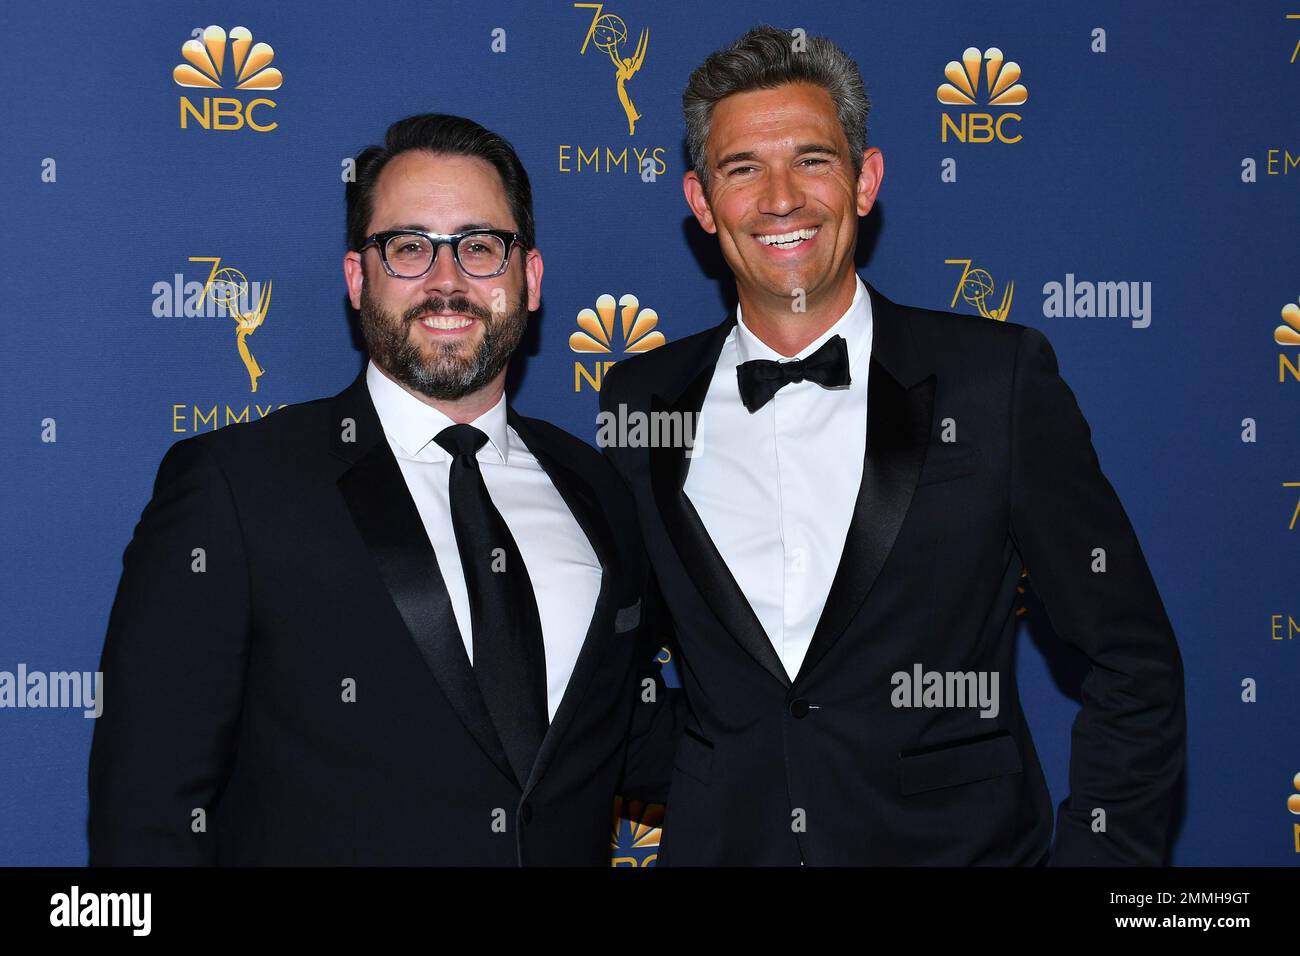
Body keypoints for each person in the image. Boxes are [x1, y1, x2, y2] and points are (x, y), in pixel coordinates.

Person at [599, 26, 1186, 865]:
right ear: (701, 203)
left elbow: (1134, 664)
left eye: (812, 159)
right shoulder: (640, 400)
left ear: (865, 181)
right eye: (742, 170)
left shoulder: (996, 382)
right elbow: (609, 665)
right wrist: (716, 776)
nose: (780, 198)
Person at [89, 113, 669, 865]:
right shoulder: (235, 489)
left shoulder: (597, 488)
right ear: (358, 278)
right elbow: (146, 819)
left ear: (528, 281)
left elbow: (636, 740)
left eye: (480, 247)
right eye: (408, 249)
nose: (447, 280)